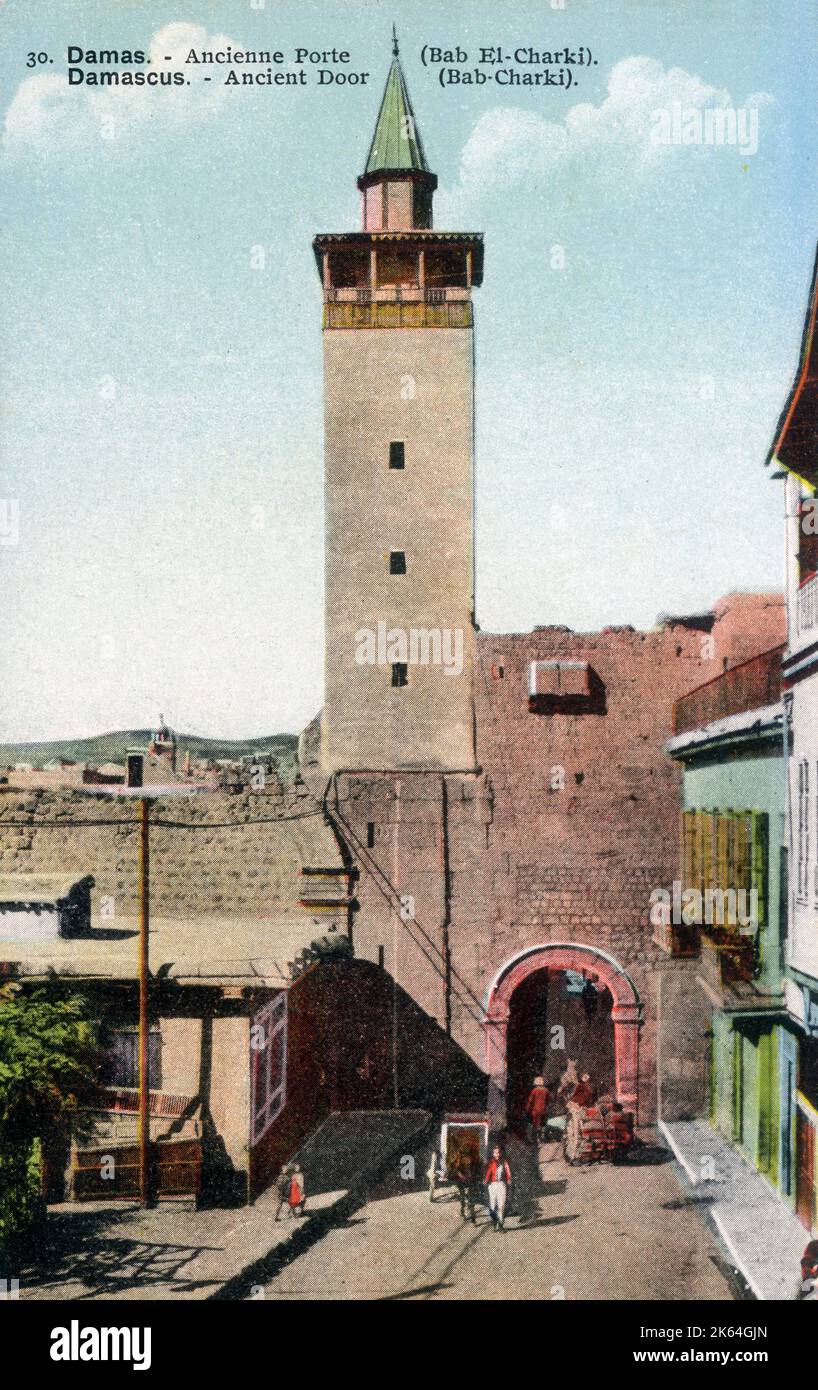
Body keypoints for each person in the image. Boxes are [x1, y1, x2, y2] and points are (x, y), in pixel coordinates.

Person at [484, 1145, 512, 1232]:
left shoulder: (504, 1162)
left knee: (501, 1205)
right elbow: (487, 1172)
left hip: (501, 1184)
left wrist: (509, 1179)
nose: (498, 1154)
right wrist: (485, 1180)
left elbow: (508, 1171)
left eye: (499, 1152)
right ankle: (495, 1222)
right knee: (492, 1206)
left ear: (501, 1153)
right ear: (493, 1153)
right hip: (492, 1185)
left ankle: (500, 1225)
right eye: (496, 1153)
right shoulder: (490, 1162)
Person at [453, 1147, 479, 1223]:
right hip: (461, 1181)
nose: (467, 1158)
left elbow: (475, 1170)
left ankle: (472, 1215)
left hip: (470, 1180)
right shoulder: (459, 1160)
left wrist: (473, 1177)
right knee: (462, 1196)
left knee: (471, 1197)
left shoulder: (473, 1161)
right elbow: (457, 1170)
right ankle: (463, 1210)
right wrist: (461, 1176)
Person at [524, 1074, 550, 1144]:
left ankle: (535, 1139)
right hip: (543, 1110)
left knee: (535, 1125)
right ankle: (541, 1138)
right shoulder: (546, 1090)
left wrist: (527, 1109)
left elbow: (530, 1101)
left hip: (535, 1111)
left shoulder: (534, 1090)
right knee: (542, 1124)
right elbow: (548, 1100)